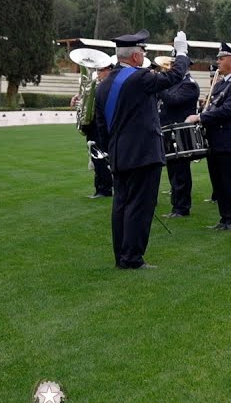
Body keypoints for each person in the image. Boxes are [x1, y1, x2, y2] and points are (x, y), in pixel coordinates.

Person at [93, 29, 191, 269]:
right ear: (136, 57)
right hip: (143, 155)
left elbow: (100, 125)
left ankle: (121, 256)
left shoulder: (104, 84)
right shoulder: (139, 78)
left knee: (121, 206)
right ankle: (133, 258)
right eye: (143, 52)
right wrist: (181, 52)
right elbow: (174, 76)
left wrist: (113, 149)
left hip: (119, 154)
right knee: (140, 206)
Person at [186, 42, 231, 231]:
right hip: (215, 139)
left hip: (229, 140)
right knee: (218, 181)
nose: (218, 62)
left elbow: (227, 111)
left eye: (221, 59)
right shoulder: (222, 83)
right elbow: (215, 107)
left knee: (230, 181)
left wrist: (200, 116)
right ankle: (224, 217)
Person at [158, 60, 200, 217]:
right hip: (170, 131)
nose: (173, 67)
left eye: (176, 65)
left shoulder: (188, 84)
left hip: (181, 133)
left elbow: (172, 100)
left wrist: (159, 85)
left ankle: (182, 207)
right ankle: (176, 205)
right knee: (173, 171)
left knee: (180, 171)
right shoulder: (177, 82)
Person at [78, 62, 114, 199]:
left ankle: (105, 188)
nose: (97, 73)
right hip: (93, 126)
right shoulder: (97, 86)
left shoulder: (109, 87)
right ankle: (99, 187)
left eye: (101, 70)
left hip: (102, 126)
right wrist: (80, 100)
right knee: (95, 158)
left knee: (102, 158)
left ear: (109, 70)